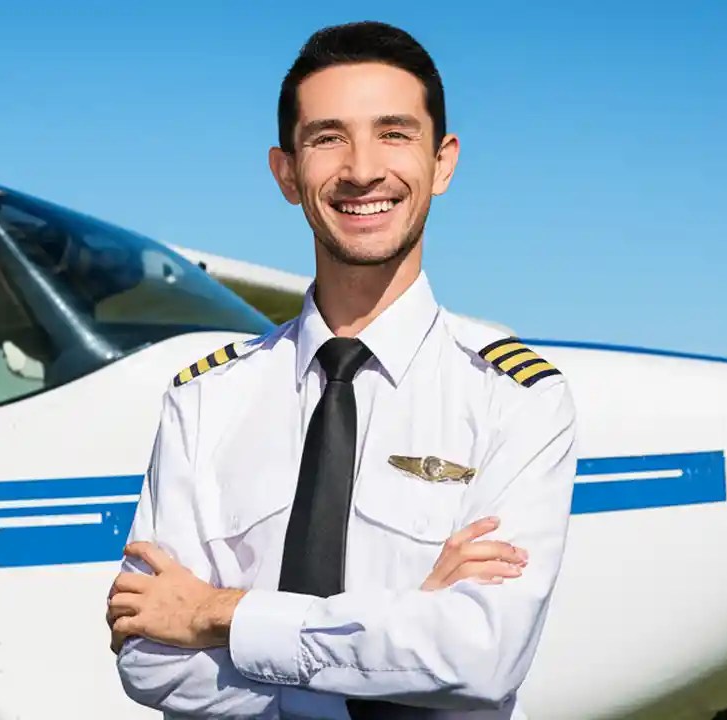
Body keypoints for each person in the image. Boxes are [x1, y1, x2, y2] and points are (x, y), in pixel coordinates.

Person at [106, 20, 578, 719]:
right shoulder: (203, 398)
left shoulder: (519, 399)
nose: (362, 169)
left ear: (443, 162)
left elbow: (482, 654)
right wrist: (403, 634)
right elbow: (150, 658)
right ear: (287, 173)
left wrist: (217, 613)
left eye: (394, 133)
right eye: (328, 138)